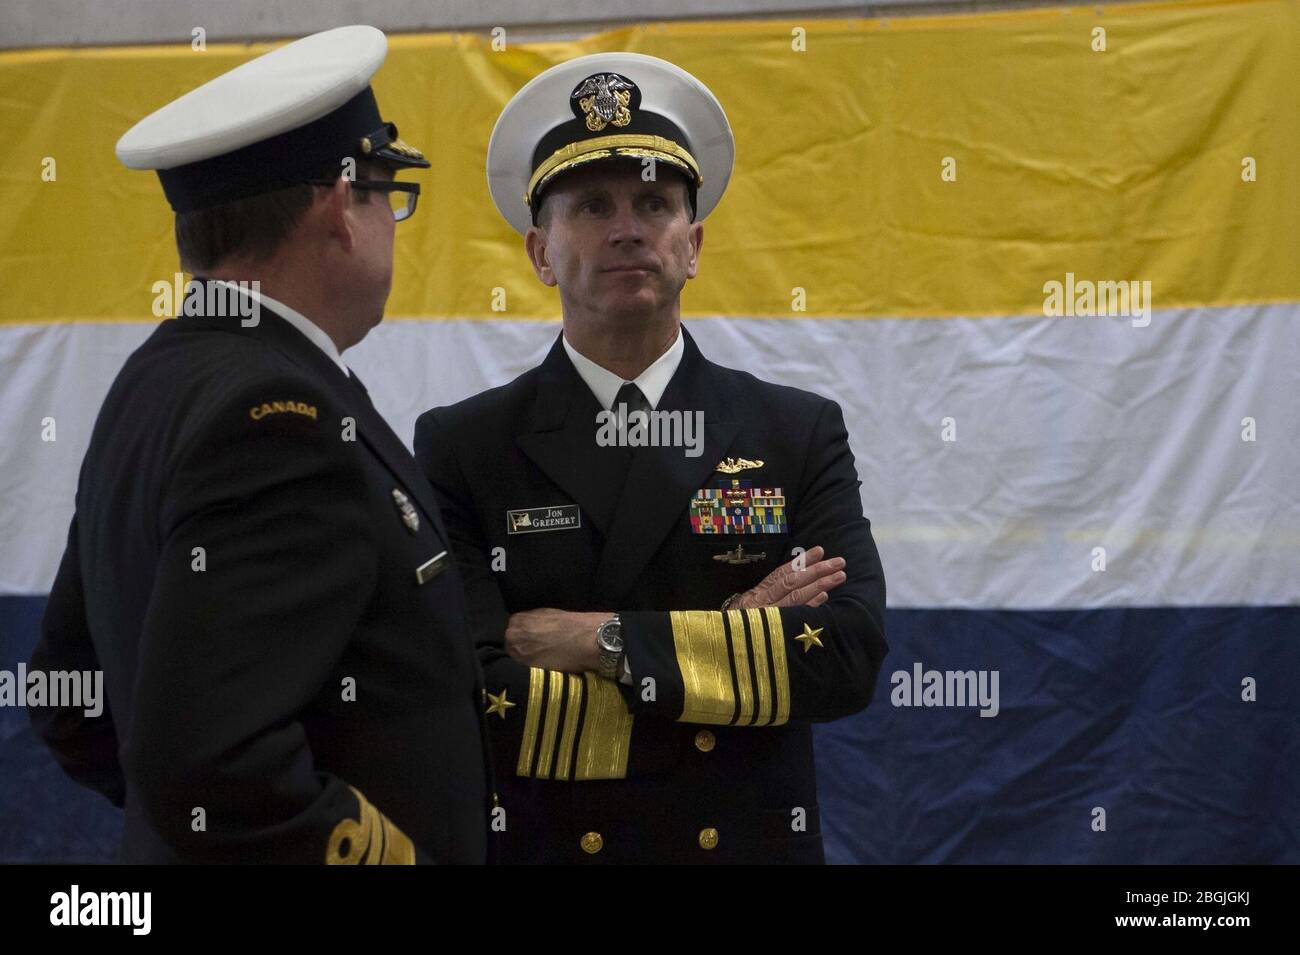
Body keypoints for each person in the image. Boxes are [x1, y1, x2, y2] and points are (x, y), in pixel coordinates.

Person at [28, 26, 491, 864]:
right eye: (385, 190)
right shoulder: (278, 418)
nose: (392, 218)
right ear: (336, 209)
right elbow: (208, 762)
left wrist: (177, 833)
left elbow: (73, 698)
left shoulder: (157, 380)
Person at [414, 52, 887, 863]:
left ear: (693, 243)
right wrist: (724, 652)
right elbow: (477, 698)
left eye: (654, 202)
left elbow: (846, 654)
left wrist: (599, 639)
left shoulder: (793, 430)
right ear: (539, 252)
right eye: (593, 205)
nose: (627, 228)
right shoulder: (464, 446)